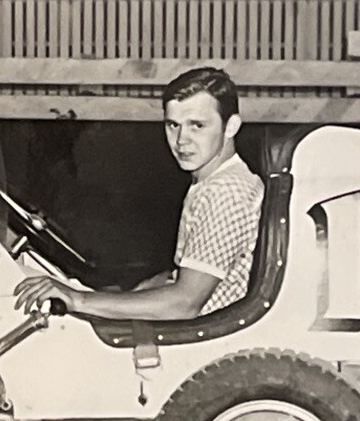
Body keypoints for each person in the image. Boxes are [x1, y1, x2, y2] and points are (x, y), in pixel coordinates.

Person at [14, 68, 263, 321]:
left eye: (197, 126)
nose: (181, 141)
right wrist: (121, 294)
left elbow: (185, 304)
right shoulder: (216, 181)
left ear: (231, 126)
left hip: (210, 338)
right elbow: (180, 275)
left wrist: (78, 299)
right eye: (173, 125)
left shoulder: (225, 191)